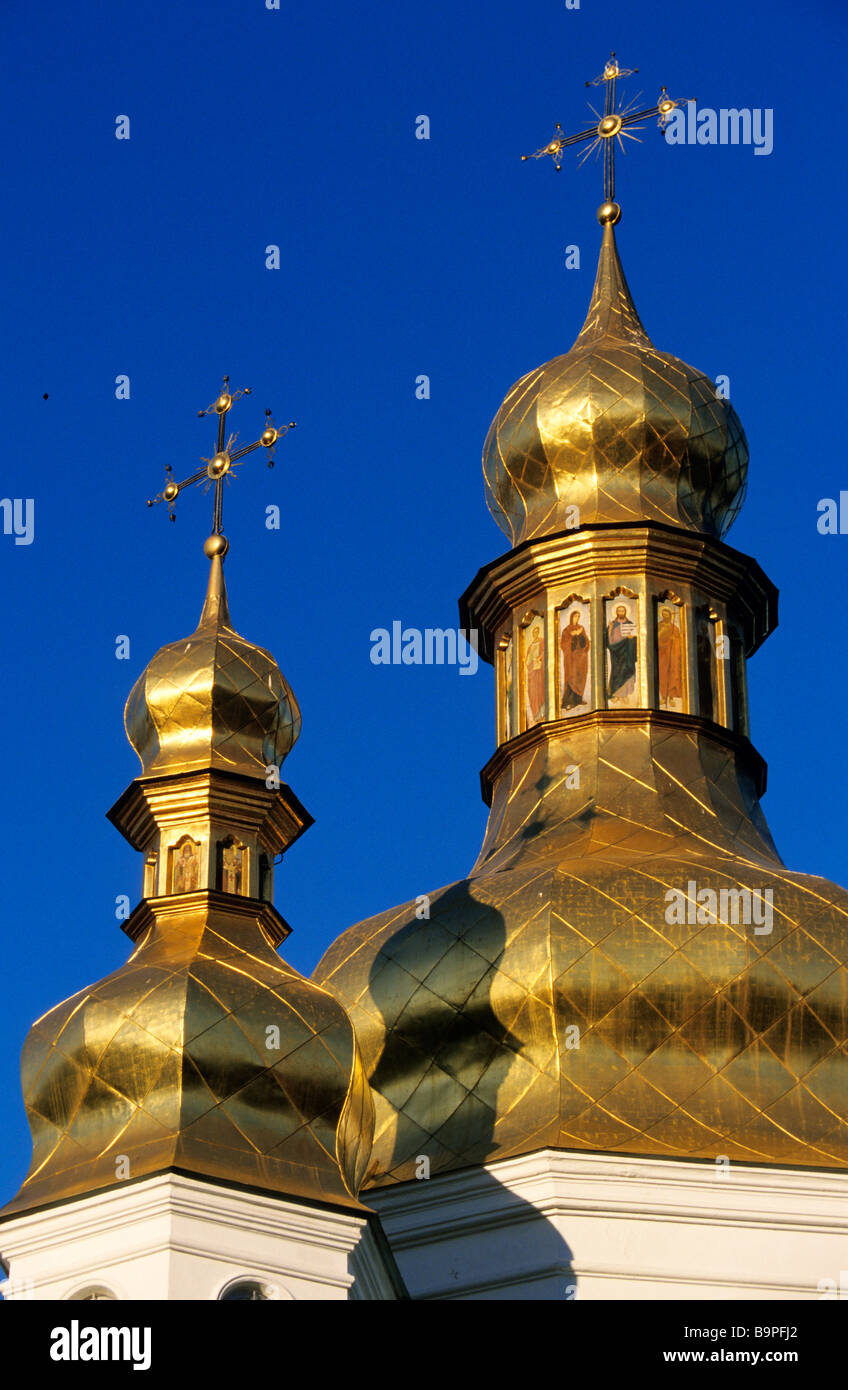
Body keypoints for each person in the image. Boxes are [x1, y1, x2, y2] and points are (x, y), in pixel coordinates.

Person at [606, 603, 637, 702]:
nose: (621, 613)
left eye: (622, 611)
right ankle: (616, 694)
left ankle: (624, 695)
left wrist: (631, 639)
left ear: (625, 612)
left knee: (626, 671)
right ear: (616, 612)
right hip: (616, 652)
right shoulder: (612, 624)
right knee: (616, 672)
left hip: (627, 652)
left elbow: (634, 638)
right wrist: (610, 629)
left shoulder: (630, 624)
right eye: (619, 611)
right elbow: (608, 641)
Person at [561, 609, 590, 711]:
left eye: (578, 616)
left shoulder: (581, 628)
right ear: (571, 618)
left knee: (580, 677)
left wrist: (584, 648)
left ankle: (578, 699)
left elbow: (586, 642)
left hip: (581, 658)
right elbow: (563, 645)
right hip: (571, 658)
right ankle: (568, 702)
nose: (576, 618)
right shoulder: (566, 630)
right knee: (571, 676)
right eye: (575, 616)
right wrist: (572, 636)